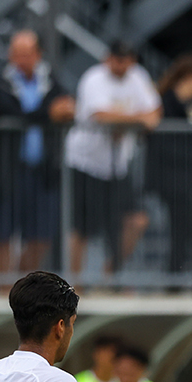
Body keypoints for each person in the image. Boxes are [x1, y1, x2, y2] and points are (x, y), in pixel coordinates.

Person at [65, 41, 160, 281]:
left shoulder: (138, 77)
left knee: (136, 221)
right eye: (118, 59)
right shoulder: (93, 79)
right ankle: (73, 286)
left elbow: (154, 114)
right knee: (82, 228)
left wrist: (123, 120)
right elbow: (101, 115)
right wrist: (135, 119)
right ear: (108, 58)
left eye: (126, 59)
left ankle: (109, 276)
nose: (122, 65)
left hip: (117, 165)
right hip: (86, 162)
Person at [0, 30, 75, 279]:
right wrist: (48, 114)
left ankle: (20, 286)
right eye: (17, 53)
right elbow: (8, 113)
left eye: (27, 53)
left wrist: (62, 110)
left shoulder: (51, 80)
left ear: (38, 54)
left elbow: (65, 106)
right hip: (8, 169)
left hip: (43, 169)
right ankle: (2, 289)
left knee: (41, 236)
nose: (22, 59)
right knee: (3, 234)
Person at [149, 53, 192, 281]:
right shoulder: (165, 104)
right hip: (175, 180)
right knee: (181, 232)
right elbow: (164, 144)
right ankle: (175, 282)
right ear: (188, 77)